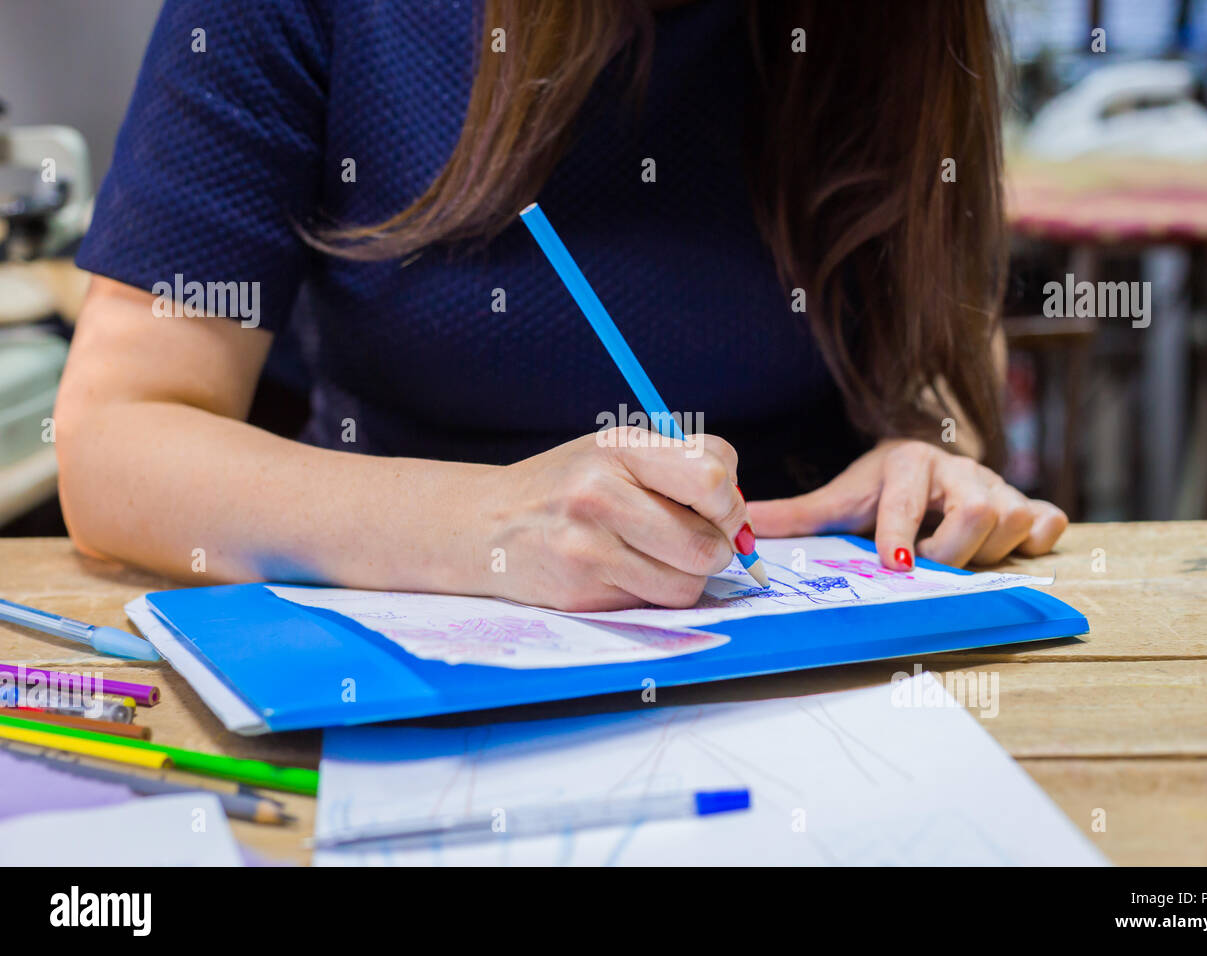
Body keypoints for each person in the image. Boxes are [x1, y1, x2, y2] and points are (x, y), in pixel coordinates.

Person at [55, 0, 1066, 612]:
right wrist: (481, 526)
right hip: (402, 668)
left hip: (806, 651)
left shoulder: (900, 30)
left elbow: (939, 350)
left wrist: (921, 455)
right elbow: (113, 445)